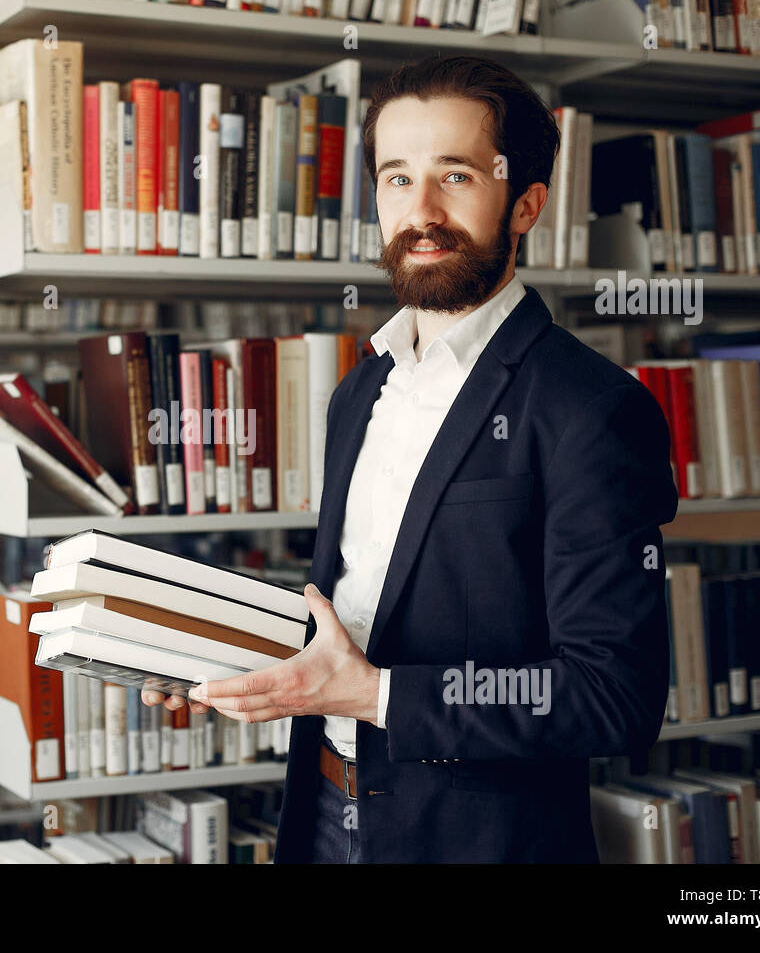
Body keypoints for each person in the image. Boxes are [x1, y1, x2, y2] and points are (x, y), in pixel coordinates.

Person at [144, 54, 678, 863]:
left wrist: (375, 695)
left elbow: (613, 698)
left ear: (526, 203)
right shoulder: (358, 394)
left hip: (473, 840)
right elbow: (358, 612)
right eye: (396, 178)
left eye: (455, 175)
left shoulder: (592, 410)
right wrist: (220, 654)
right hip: (322, 805)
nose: (420, 211)